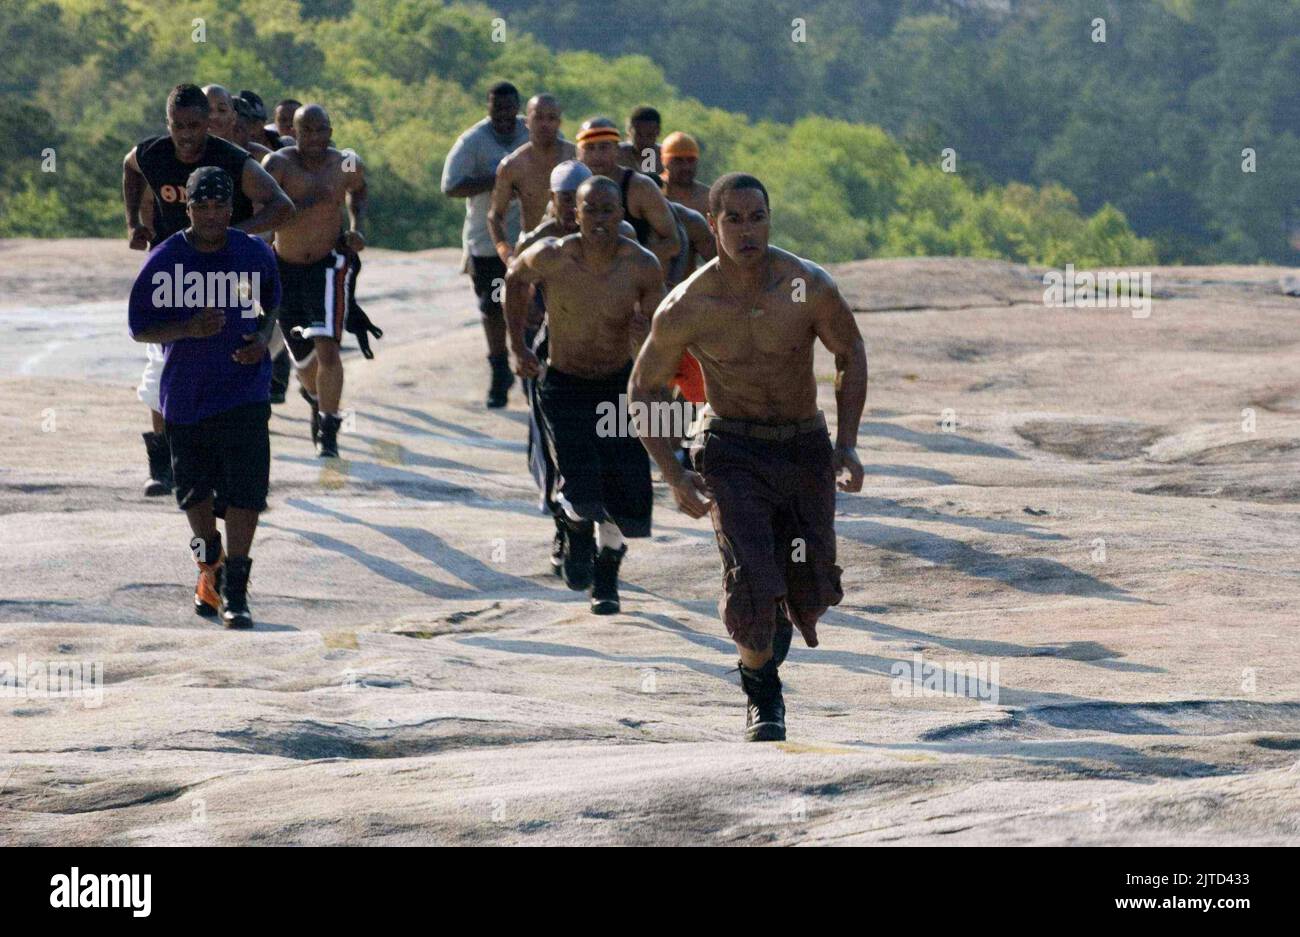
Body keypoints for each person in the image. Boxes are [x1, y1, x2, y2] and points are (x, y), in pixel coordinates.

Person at [629, 173, 868, 742]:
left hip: (803, 446)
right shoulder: (689, 303)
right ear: (711, 226)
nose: (745, 230)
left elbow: (849, 351)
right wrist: (672, 473)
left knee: (811, 587)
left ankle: (774, 618)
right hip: (731, 449)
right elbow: (643, 389)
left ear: (769, 219)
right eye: (731, 219)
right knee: (749, 583)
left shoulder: (805, 285)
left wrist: (847, 441)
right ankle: (764, 698)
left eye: (755, 217)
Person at [127, 166, 282, 628]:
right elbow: (139, 328)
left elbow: (271, 303)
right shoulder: (165, 258)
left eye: (220, 206)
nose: (211, 214)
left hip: (244, 392)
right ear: (187, 208)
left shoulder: (254, 252)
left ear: (231, 210)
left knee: (246, 493)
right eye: (202, 206)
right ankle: (206, 566)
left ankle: (236, 590)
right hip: (188, 397)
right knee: (193, 499)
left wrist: (262, 341)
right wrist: (186, 329)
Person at [122, 83, 293, 496]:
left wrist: (232, 235)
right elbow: (129, 169)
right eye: (178, 126)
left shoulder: (231, 159)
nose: (186, 135)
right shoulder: (152, 153)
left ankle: (232, 461)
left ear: (209, 124)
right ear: (168, 124)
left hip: (230, 275)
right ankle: (163, 466)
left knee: (233, 361)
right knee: (163, 368)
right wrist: (134, 222)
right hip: (175, 274)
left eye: (195, 125)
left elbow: (282, 206)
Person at [506, 176, 664, 614]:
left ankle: (607, 574)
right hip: (565, 384)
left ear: (621, 214)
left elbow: (662, 328)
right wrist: (517, 345)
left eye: (608, 210)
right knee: (581, 485)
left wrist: (644, 336)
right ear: (573, 213)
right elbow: (514, 279)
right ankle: (575, 531)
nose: (599, 218)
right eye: (589, 209)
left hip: (617, 386)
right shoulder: (553, 256)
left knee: (622, 488)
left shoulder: (642, 265)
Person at [515, 160, 636, 575]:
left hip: (613, 358)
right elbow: (516, 287)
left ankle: (599, 541)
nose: (572, 210)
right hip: (554, 354)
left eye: (578, 199)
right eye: (564, 201)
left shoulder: (626, 239)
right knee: (554, 457)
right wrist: (519, 346)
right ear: (553, 200)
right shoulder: (541, 240)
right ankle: (565, 526)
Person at [263, 104, 368, 458]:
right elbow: (259, 207)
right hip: (285, 267)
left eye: (320, 130)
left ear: (331, 131)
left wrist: (355, 228)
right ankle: (316, 397)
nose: (314, 138)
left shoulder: (346, 162)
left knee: (327, 346)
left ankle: (329, 429)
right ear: (293, 133)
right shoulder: (277, 164)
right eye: (306, 131)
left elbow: (360, 189)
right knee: (303, 358)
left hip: (328, 265)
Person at [441, 82, 530, 408]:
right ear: (488, 107)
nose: (504, 115)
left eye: (510, 108)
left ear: (518, 107)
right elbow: (450, 186)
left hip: (530, 237)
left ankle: (529, 370)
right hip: (486, 240)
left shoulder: (532, 134)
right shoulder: (473, 141)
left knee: (530, 308)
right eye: (498, 109)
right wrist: (500, 178)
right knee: (493, 309)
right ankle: (499, 370)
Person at [575, 117, 679, 270]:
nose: (597, 155)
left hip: (631, 281)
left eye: (604, 147)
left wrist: (624, 262)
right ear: (578, 153)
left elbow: (673, 243)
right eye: (590, 148)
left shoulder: (640, 187)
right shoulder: (569, 187)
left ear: (617, 150)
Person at [488, 93, 575, 264]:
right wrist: (507, 254)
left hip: (575, 254)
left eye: (551, 118)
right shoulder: (512, 166)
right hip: (534, 253)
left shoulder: (576, 159)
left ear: (559, 123)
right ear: (527, 121)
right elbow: (495, 216)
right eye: (538, 117)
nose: (544, 124)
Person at [660, 131, 710, 217]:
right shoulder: (653, 193)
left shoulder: (707, 198)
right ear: (664, 162)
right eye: (678, 161)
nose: (686, 167)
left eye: (691, 160)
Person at [617, 105, 662, 176]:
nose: (644, 140)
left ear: (658, 132)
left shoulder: (664, 157)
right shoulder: (618, 154)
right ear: (629, 131)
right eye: (638, 135)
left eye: (650, 135)